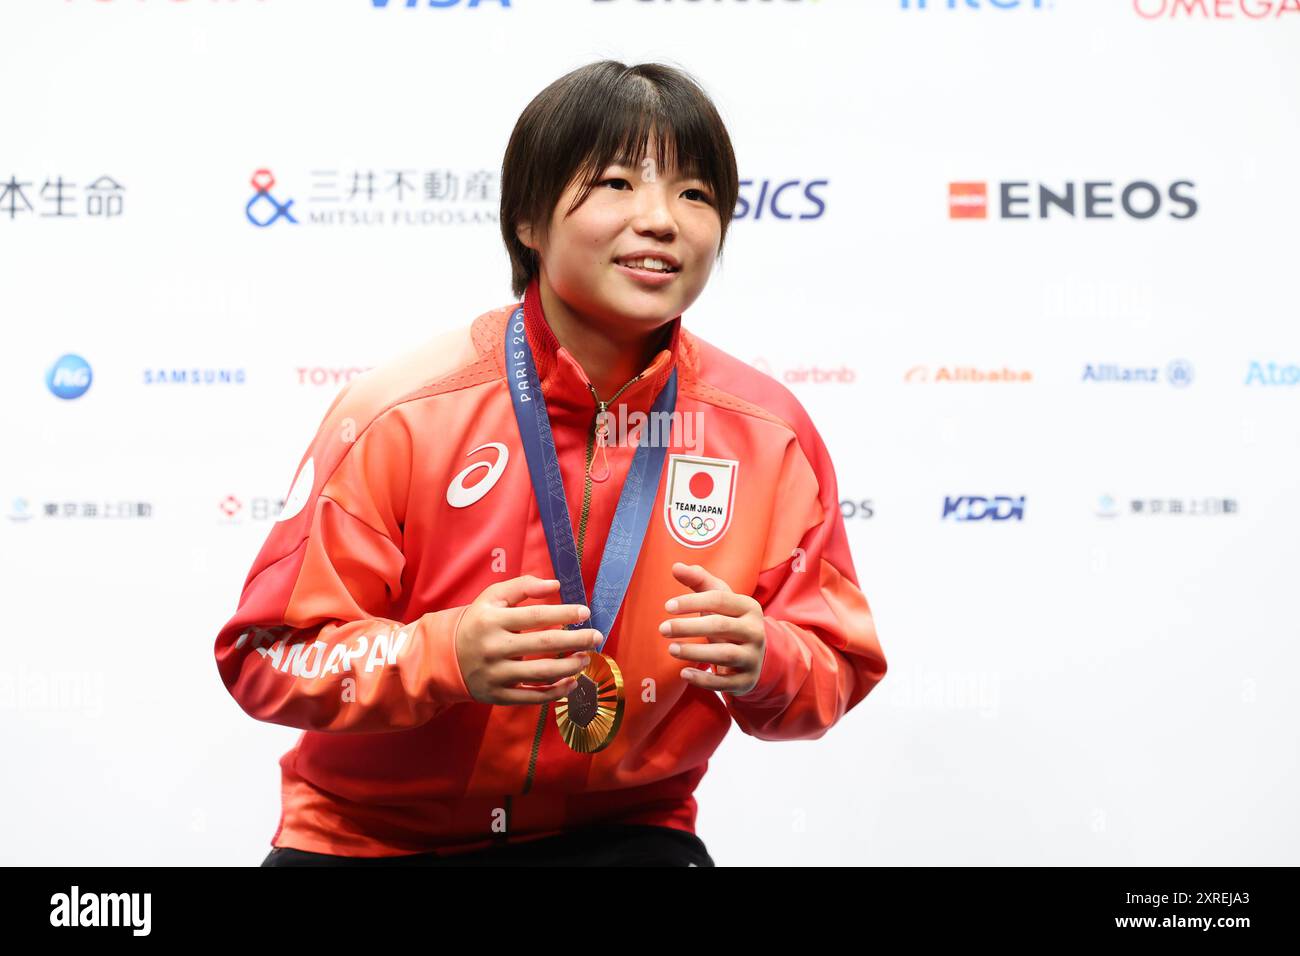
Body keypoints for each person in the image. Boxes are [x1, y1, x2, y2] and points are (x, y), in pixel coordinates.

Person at [214, 59, 887, 867]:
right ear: (528, 220)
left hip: (625, 836)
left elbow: (835, 670)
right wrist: (444, 654)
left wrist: (767, 658)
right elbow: (266, 660)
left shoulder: (768, 433)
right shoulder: (402, 414)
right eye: (615, 183)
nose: (662, 220)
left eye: (695, 193)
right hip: (371, 841)